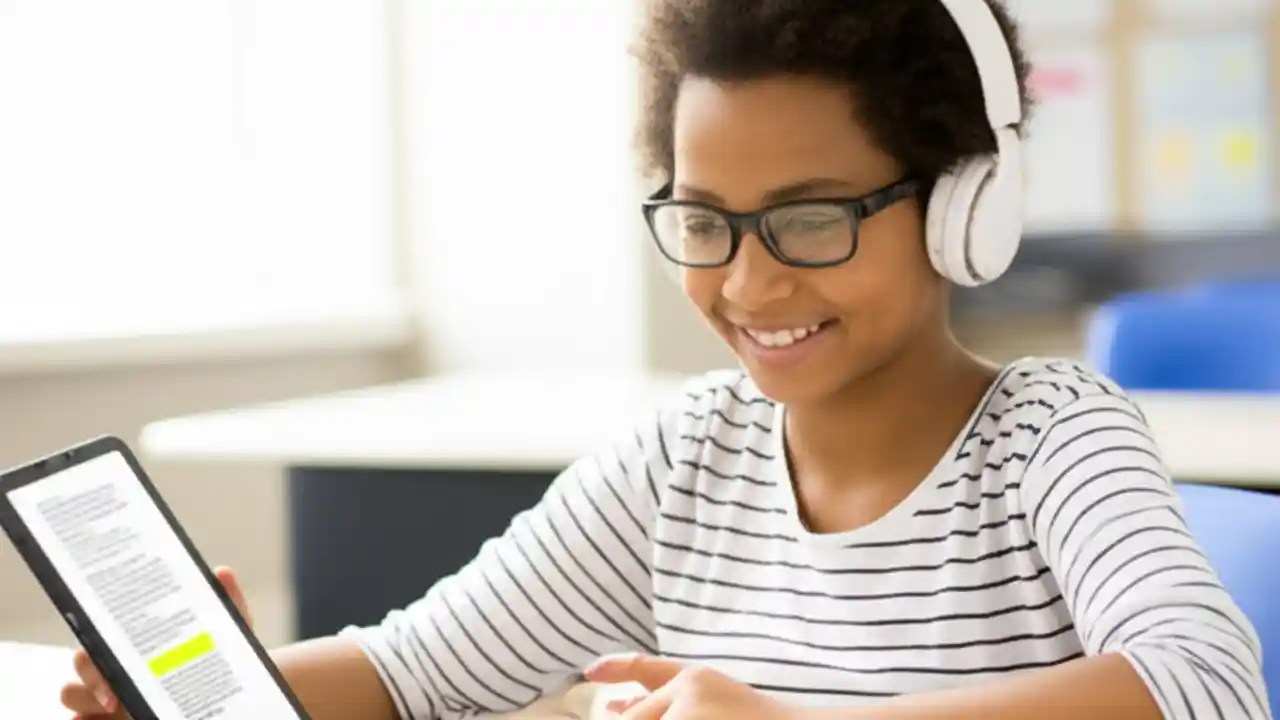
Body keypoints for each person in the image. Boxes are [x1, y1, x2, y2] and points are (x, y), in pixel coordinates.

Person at [63, 1, 1270, 718]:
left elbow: (1203, 685)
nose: (747, 284)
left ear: (965, 206)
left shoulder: (1052, 438)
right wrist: (205, 686)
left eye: (808, 220)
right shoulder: (685, 459)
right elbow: (406, 672)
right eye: (703, 222)